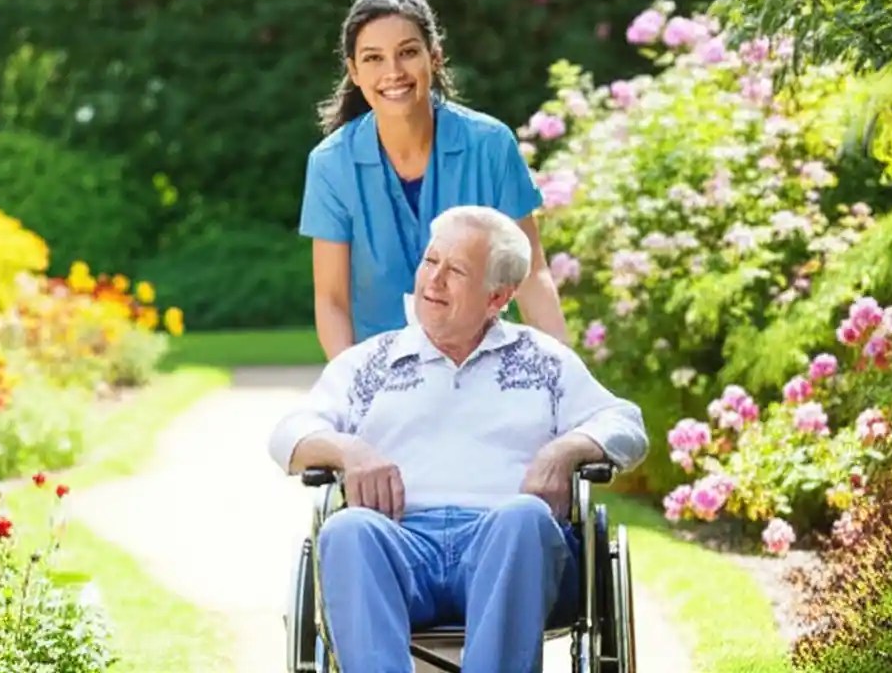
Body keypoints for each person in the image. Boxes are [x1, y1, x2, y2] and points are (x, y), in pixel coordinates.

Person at [268, 206, 647, 673]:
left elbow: (626, 423)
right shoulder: (372, 363)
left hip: (508, 547)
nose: (434, 280)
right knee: (347, 529)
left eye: (456, 271)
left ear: (497, 297)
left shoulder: (543, 361)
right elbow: (288, 435)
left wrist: (565, 449)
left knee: (524, 517)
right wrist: (349, 451)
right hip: (400, 543)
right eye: (431, 261)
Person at [300, 0, 567, 360]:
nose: (393, 72)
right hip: (383, 377)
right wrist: (352, 389)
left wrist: (566, 375)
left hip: (483, 368)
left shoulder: (490, 146)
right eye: (374, 58)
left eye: (407, 52)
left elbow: (532, 276)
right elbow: (332, 301)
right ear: (354, 71)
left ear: (435, 57)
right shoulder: (330, 165)